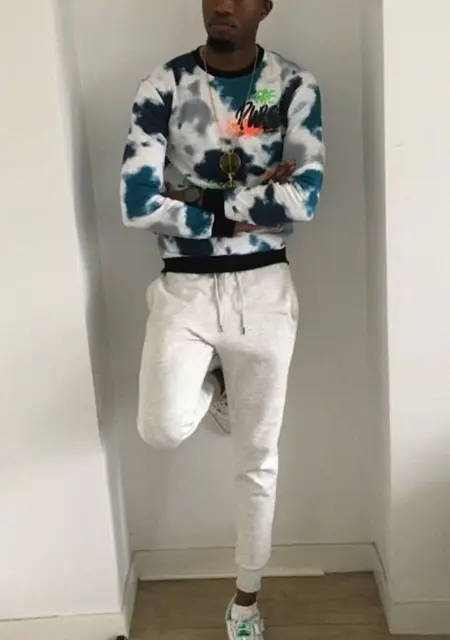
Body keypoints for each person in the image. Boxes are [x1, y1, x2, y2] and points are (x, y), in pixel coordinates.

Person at [120, 0, 325, 637]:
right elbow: (136, 202)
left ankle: (246, 601)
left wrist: (190, 195)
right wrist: (249, 202)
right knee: (160, 428)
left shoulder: (291, 86)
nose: (225, 4)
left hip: (265, 289)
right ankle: (217, 383)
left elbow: (304, 198)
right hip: (184, 286)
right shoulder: (164, 85)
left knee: (258, 456)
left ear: (265, 6)